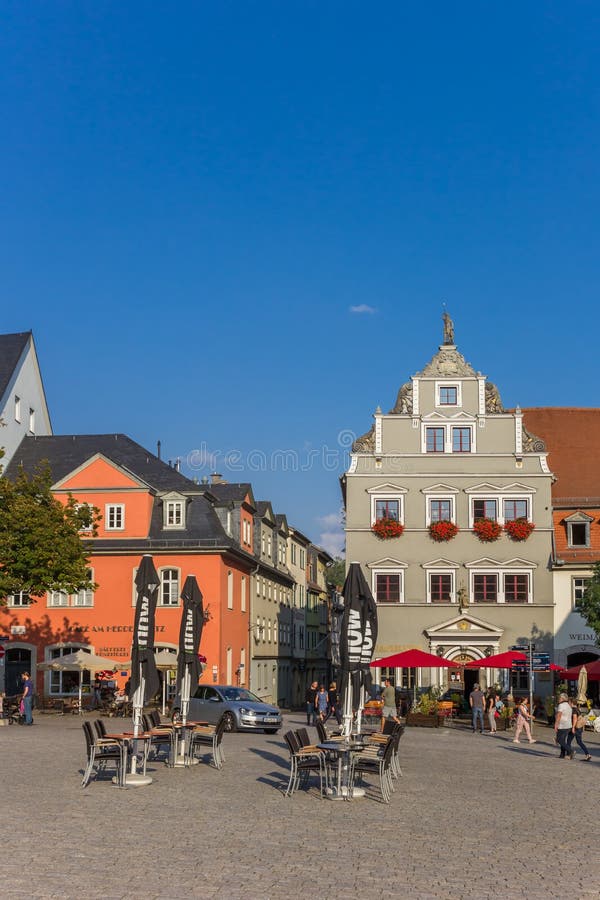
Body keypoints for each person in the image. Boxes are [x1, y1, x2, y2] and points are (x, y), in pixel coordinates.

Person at [554, 692, 573, 759]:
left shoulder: (561, 705)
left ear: (562, 698)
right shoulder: (568, 705)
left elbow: (559, 715)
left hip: (562, 725)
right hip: (568, 725)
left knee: (559, 740)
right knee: (563, 740)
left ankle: (570, 751)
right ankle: (562, 754)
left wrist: (556, 724)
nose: (558, 699)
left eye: (559, 698)